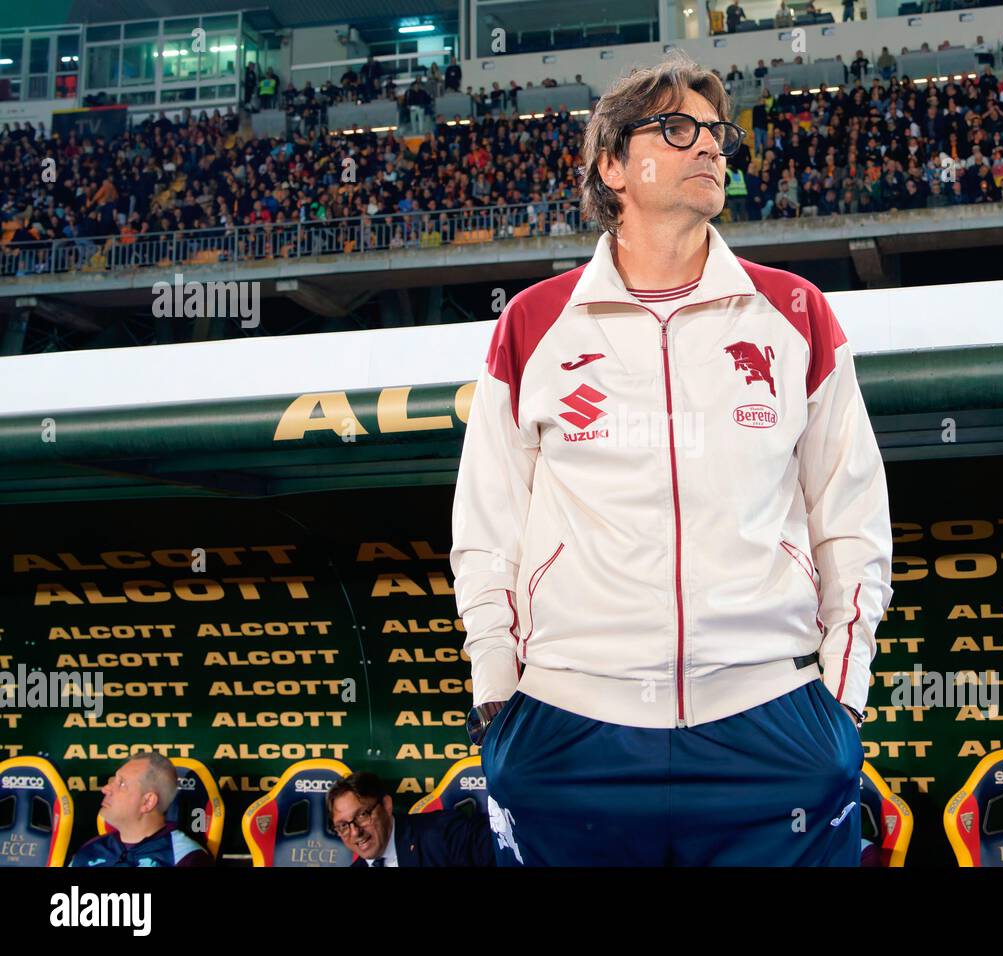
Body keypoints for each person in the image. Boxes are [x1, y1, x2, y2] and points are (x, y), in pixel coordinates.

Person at [451, 52, 892, 867]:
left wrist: (843, 700)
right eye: (679, 129)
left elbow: (851, 518)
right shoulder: (533, 323)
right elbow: (487, 527)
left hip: (773, 721)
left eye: (717, 134)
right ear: (613, 164)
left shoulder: (794, 311)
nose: (711, 149)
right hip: (567, 729)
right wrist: (496, 694)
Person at [69, 751, 212, 867]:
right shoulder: (90, 849)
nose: (106, 789)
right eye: (112, 781)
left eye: (121, 784)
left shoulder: (185, 857)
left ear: (148, 801)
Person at [326, 772, 495, 867]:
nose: (355, 832)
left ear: (386, 805)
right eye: (342, 826)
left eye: (362, 815)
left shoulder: (442, 833)